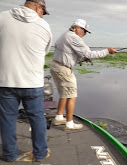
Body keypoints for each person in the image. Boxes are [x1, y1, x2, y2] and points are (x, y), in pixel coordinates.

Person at [0, 0, 52, 162]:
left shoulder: (2, 17)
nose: (43, 14)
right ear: (38, 7)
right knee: (37, 118)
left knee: (7, 119)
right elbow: (44, 50)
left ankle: (9, 155)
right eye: (43, 11)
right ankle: (40, 153)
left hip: (6, 81)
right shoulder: (44, 26)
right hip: (33, 82)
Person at [50, 19, 118, 130]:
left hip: (56, 66)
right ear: (77, 28)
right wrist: (107, 51)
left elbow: (71, 52)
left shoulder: (66, 35)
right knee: (71, 95)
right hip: (64, 69)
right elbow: (89, 53)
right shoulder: (73, 37)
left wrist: (83, 57)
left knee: (64, 94)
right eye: (84, 30)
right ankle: (69, 124)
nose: (85, 33)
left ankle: (58, 118)